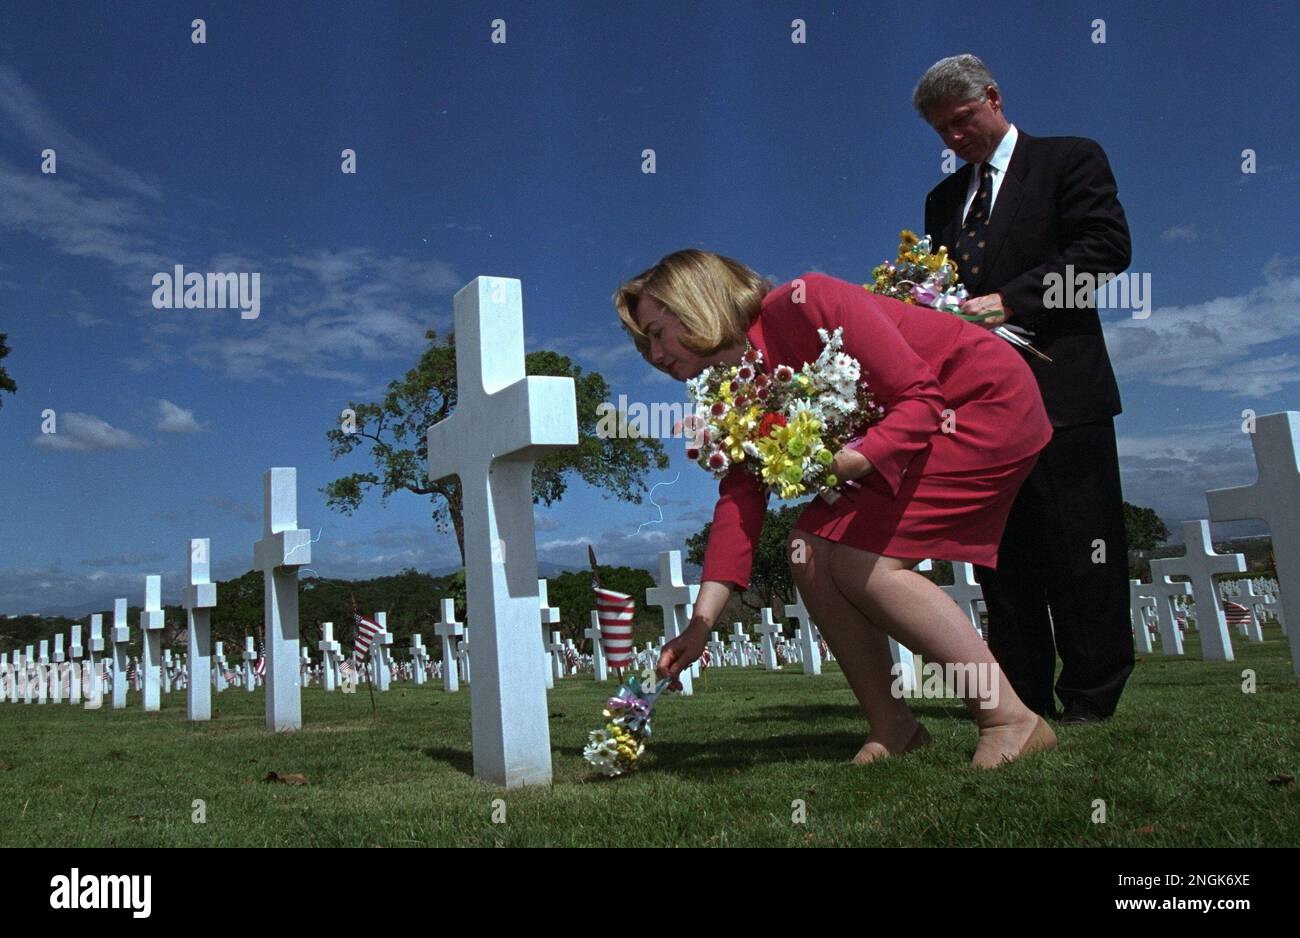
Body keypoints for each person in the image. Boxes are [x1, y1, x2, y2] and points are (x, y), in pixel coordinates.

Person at [615, 251, 1058, 767]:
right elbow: (741, 500)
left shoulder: (807, 302)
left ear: (696, 302)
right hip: (898, 445)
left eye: (656, 332)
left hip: (977, 404)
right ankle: (894, 726)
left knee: (859, 561)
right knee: (805, 550)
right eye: (644, 344)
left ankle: (1011, 719)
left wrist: (849, 461)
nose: (653, 353)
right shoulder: (730, 391)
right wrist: (700, 624)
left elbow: (919, 397)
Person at [915, 54, 1134, 723]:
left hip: (1063, 391)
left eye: (962, 122)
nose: (955, 141)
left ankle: (1093, 700)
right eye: (941, 133)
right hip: (981, 409)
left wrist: (1008, 301)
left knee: (1083, 551)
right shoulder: (944, 202)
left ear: (993, 97)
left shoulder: (1068, 159)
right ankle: (1024, 699)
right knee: (1003, 561)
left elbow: (1106, 252)